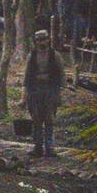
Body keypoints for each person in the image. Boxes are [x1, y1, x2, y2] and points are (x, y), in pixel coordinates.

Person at [23, 28, 65, 157]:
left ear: (48, 40)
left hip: (50, 90)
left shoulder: (55, 55)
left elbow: (61, 74)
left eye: (44, 39)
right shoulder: (32, 55)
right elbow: (27, 75)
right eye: (39, 40)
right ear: (35, 42)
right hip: (35, 91)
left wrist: (60, 91)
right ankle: (38, 147)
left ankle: (50, 148)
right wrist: (24, 94)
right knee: (36, 120)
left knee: (49, 119)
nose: (42, 42)